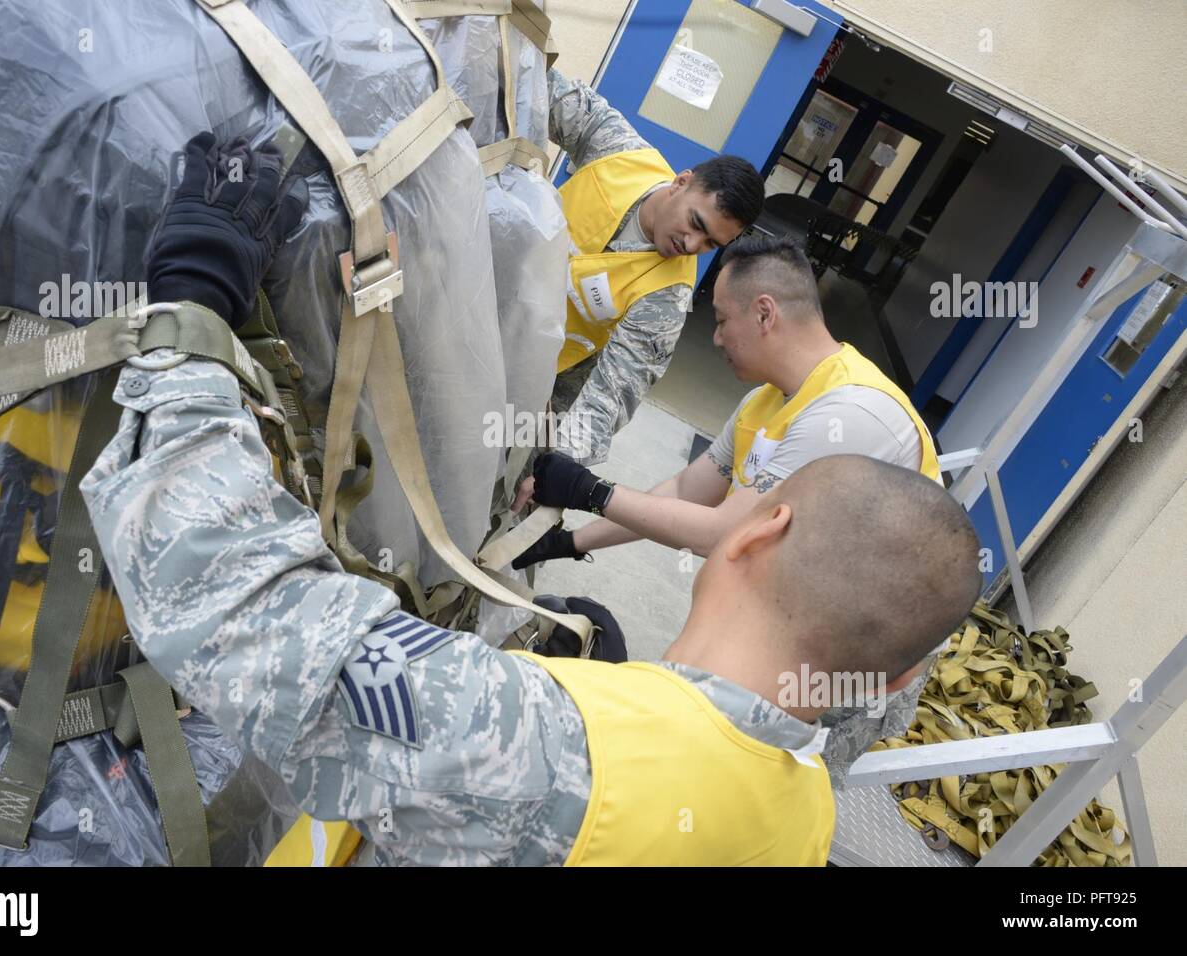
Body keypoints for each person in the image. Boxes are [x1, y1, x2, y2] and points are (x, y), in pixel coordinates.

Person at [80, 136, 983, 865]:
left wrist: (188, 316)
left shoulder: (542, 740)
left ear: (761, 534)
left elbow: (243, 614)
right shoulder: (803, 826)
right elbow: (682, 498)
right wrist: (566, 540)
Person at [513, 233, 949, 782]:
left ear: (764, 313)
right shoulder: (766, 400)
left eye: (721, 320)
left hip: (859, 653)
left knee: (771, 781)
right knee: (709, 759)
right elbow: (684, 495)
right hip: (798, 607)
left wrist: (589, 490)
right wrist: (570, 540)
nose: (715, 337)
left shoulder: (853, 414)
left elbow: (719, 534)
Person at [526, 70, 763, 476]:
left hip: (535, 380)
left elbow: (611, 395)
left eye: (710, 245)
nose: (692, 245)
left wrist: (554, 468)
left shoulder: (667, 298)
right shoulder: (619, 154)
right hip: (481, 303)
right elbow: (532, 82)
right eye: (696, 224)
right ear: (682, 182)